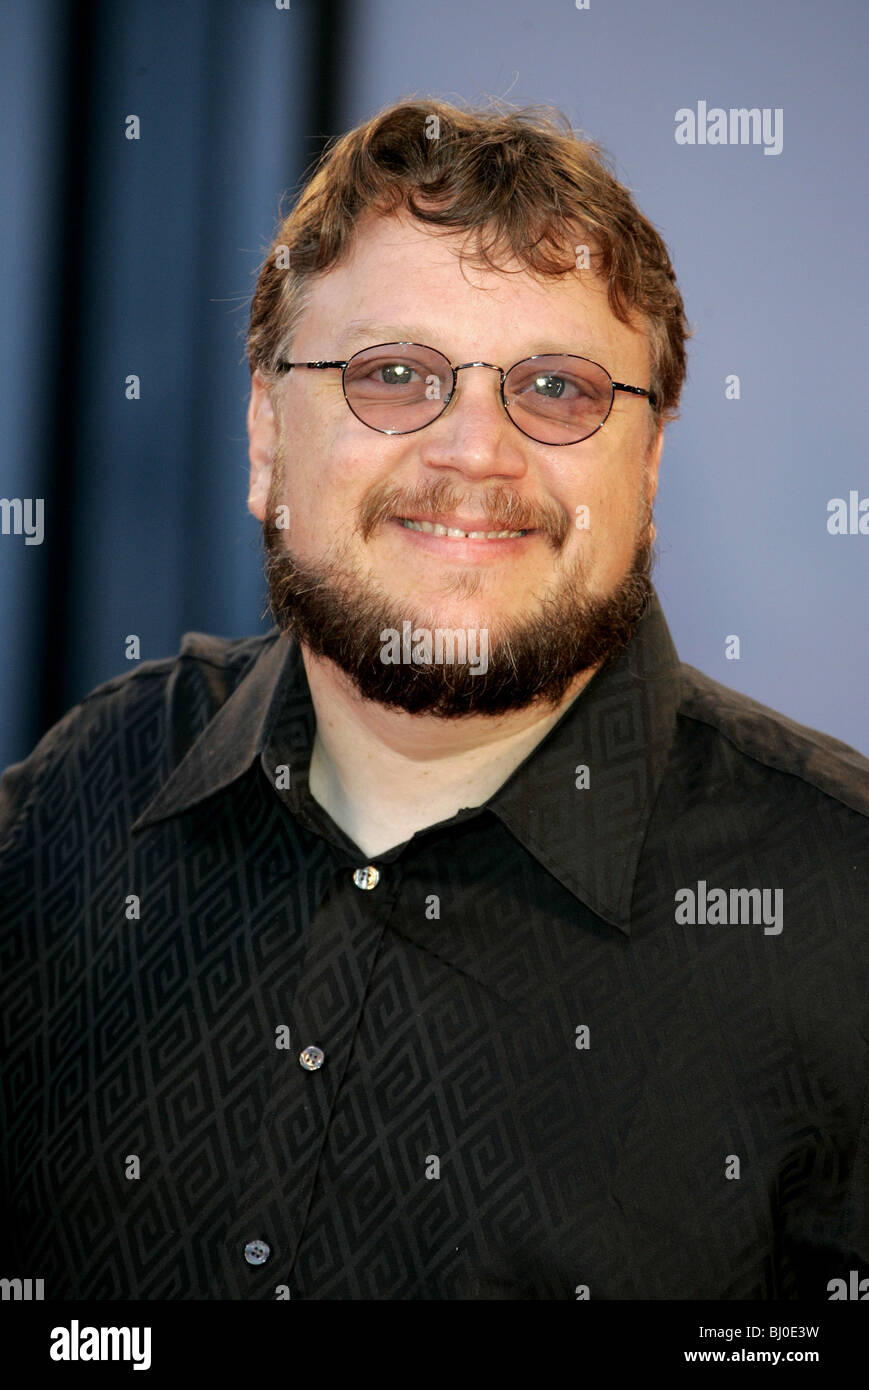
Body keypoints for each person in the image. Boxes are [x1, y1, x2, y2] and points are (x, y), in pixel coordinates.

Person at [1, 98, 866, 1302]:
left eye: (556, 388)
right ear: (263, 434)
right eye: (392, 373)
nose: (474, 451)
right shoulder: (71, 805)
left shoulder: (840, 907)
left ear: (649, 466)